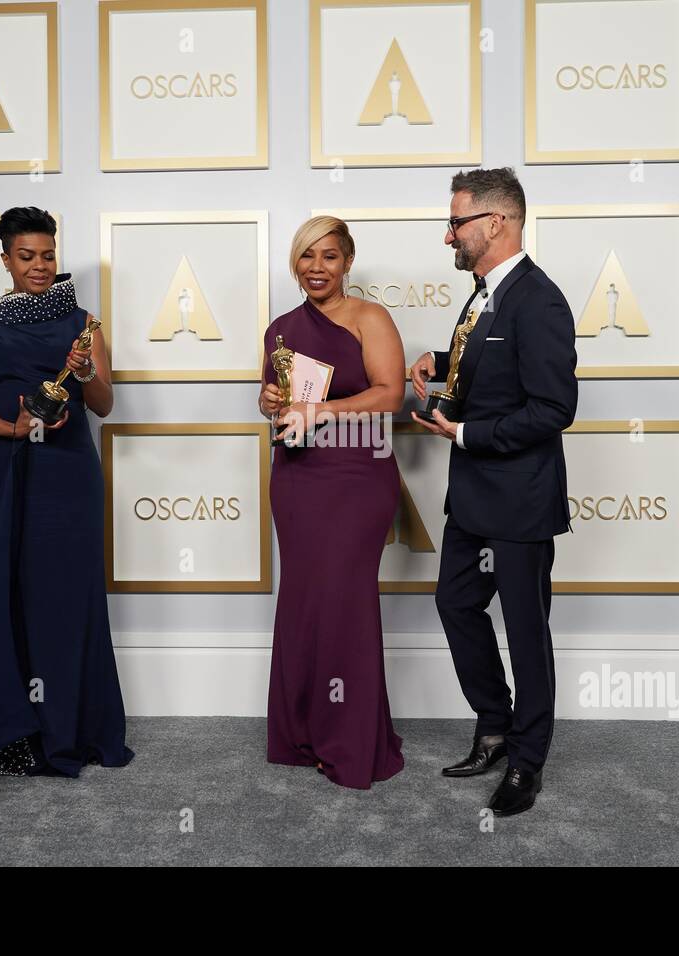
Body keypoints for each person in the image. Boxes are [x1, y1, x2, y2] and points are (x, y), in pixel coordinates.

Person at [0, 206, 135, 777]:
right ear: (5, 260)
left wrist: (88, 368)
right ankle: (10, 733)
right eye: (27, 257)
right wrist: (14, 429)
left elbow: (103, 404)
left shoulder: (83, 322)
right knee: (7, 592)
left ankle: (70, 729)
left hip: (68, 476)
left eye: (47, 255)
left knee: (67, 597)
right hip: (2, 469)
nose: (40, 266)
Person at [411, 168, 578, 816]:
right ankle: (495, 725)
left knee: (526, 631)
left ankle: (527, 763)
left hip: (520, 501)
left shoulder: (540, 300)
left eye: (456, 222)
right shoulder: (482, 294)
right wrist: (441, 362)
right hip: (473, 498)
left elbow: (553, 408)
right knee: (456, 604)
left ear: (496, 223)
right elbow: (489, 367)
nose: (447, 234)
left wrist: (466, 432)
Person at [258, 215, 407, 789]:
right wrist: (271, 399)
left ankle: (351, 740)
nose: (316, 268)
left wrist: (321, 412)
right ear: (294, 264)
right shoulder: (280, 328)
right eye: (306, 257)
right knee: (304, 599)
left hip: (357, 474)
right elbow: (272, 401)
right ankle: (303, 736)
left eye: (329, 257)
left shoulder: (371, 317)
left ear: (348, 262)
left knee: (345, 600)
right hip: (297, 475)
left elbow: (390, 394)